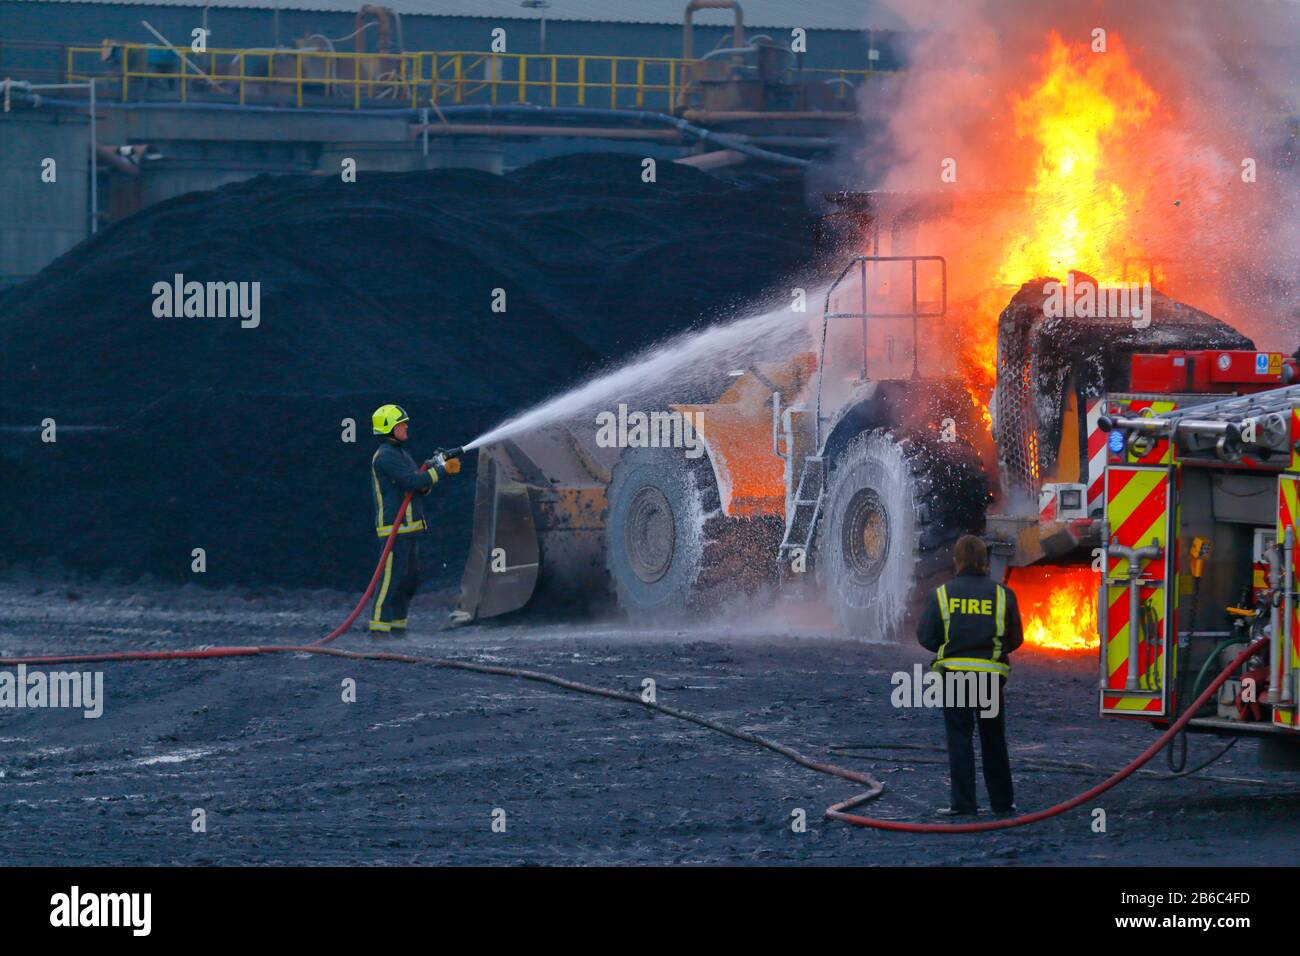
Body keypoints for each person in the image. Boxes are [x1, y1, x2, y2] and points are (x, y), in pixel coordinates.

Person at [916, 534, 1024, 817]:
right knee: (993, 740)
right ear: (985, 562)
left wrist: (951, 647)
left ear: (957, 561)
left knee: (960, 739)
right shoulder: (1003, 594)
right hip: (990, 679)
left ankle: (964, 805)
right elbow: (1015, 638)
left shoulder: (941, 594)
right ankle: (1002, 803)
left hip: (955, 678)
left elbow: (926, 636)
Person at [368, 404, 460, 634]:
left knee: (407, 583)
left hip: (409, 530)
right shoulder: (385, 457)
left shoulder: (400, 454)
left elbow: (419, 486)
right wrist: (442, 470)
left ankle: (398, 629)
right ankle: (379, 630)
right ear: (389, 427)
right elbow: (412, 482)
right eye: (402, 423)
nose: (406, 426)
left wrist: (433, 465)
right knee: (390, 582)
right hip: (394, 531)